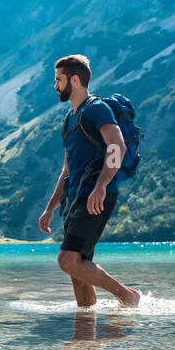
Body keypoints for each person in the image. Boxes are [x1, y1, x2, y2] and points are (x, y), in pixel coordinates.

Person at [38, 55, 142, 308]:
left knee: (67, 261)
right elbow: (66, 170)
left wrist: (101, 186)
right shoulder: (69, 119)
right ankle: (86, 336)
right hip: (75, 198)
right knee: (78, 271)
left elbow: (117, 146)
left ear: (74, 79)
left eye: (58, 80)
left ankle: (128, 296)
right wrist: (50, 208)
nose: (55, 86)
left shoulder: (96, 108)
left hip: (96, 196)